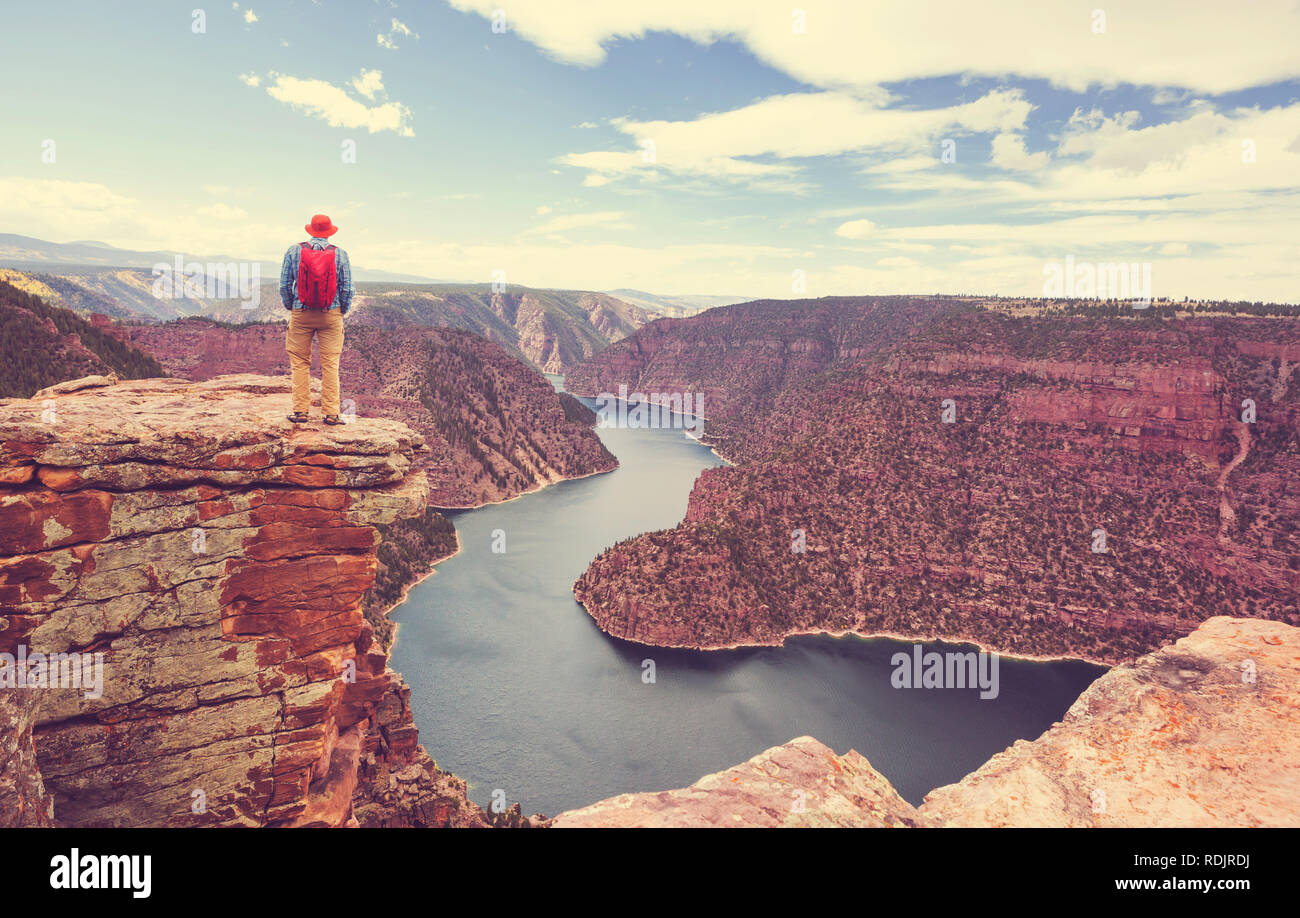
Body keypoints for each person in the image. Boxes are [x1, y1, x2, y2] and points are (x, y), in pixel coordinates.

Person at [280, 214, 353, 425]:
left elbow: (284, 285)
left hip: (301, 313)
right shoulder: (340, 254)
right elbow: (348, 289)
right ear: (330, 232)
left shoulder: (293, 251)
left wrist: (292, 307)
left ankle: (300, 412)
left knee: (300, 363)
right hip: (330, 314)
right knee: (330, 364)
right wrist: (340, 311)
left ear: (310, 230)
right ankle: (331, 414)